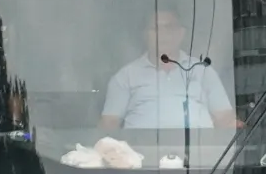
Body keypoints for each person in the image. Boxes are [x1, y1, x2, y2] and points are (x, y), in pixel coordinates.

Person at [99, 8, 237, 132]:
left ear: (181, 33)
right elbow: (109, 124)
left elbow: (225, 119)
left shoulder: (203, 71)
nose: (163, 34)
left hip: (200, 155)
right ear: (145, 35)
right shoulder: (126, 76)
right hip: (140, 155)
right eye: (155, 28)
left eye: (169, 27)